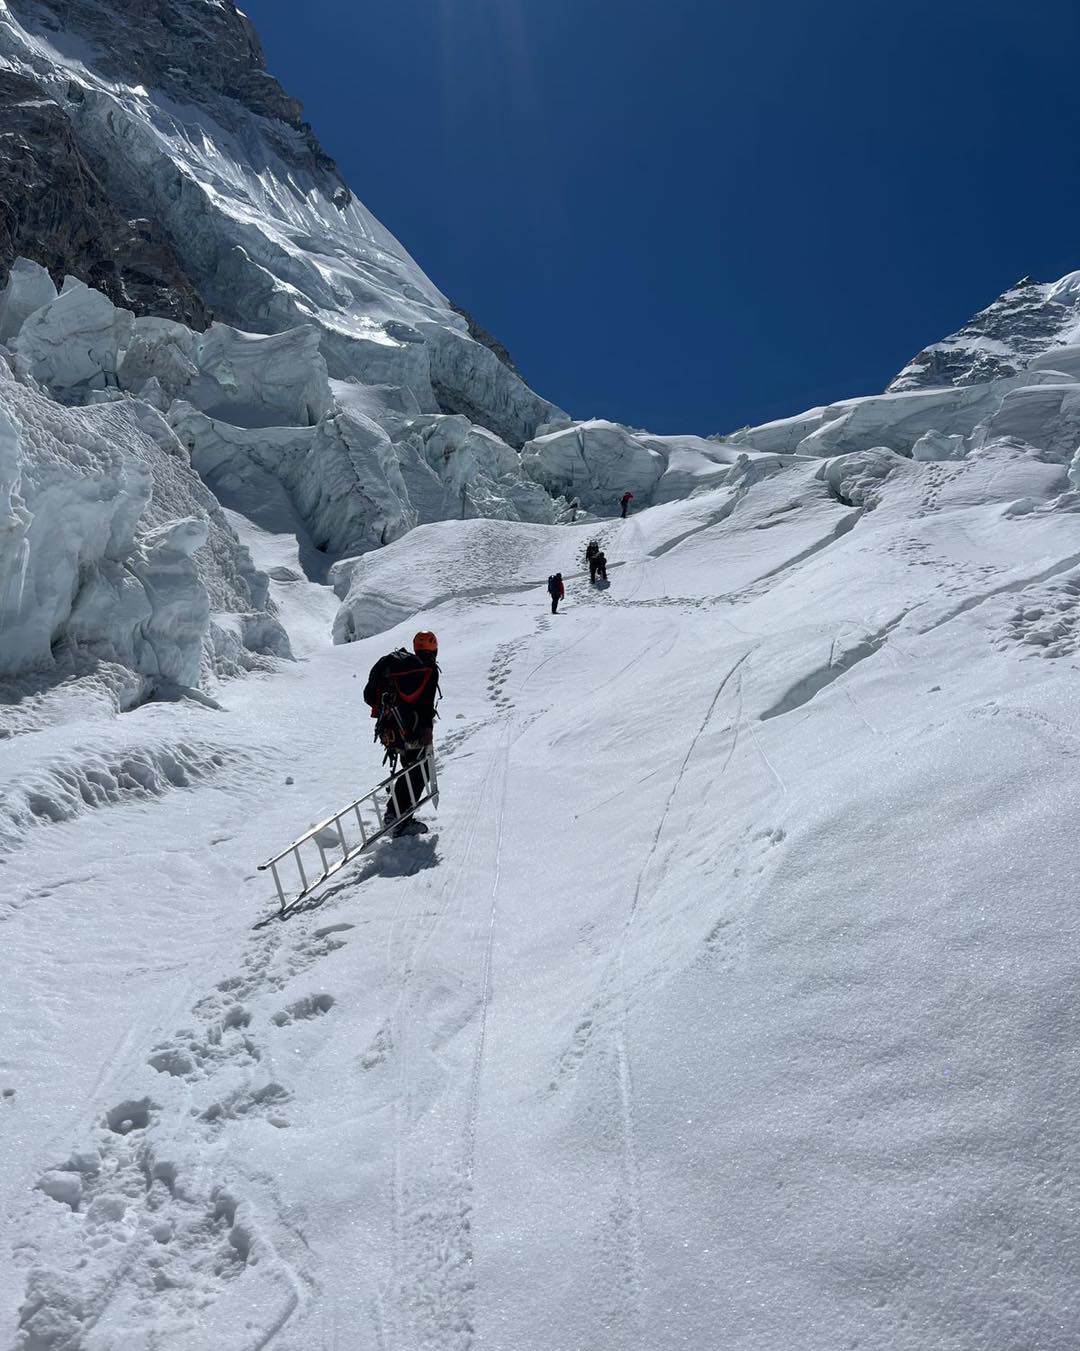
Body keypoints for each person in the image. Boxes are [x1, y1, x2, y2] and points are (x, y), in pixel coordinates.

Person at [363, 631, 440, 836]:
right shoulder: (428, 669)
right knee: (419, 770)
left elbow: (369, 697)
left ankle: (395, 814)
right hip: (412, 730)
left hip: (391, 729)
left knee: (410, 769)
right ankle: (399, 820)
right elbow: (425, 704)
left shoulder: (398, 666)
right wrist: (427, 730)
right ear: (434, 648)